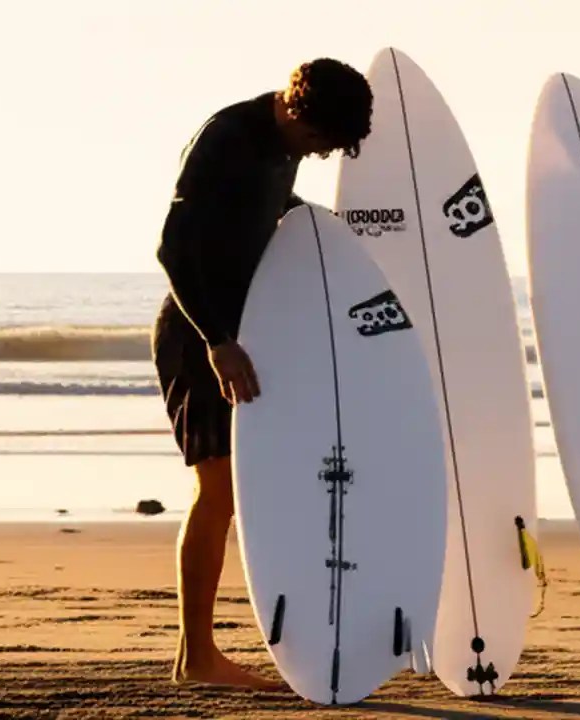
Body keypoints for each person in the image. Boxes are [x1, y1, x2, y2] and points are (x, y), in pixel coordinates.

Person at [152, 58, 373, 688]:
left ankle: (215, 652)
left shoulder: (285, 146)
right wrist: (218, 341)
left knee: (260, 490)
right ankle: (197, 658)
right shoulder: (228, 137)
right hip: (202, 337)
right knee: (218, 492)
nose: (318, 153)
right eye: (316, 142)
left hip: (249, 334)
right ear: (295, 111)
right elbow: (173, 246)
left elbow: (270, 210)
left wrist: (329, 235)